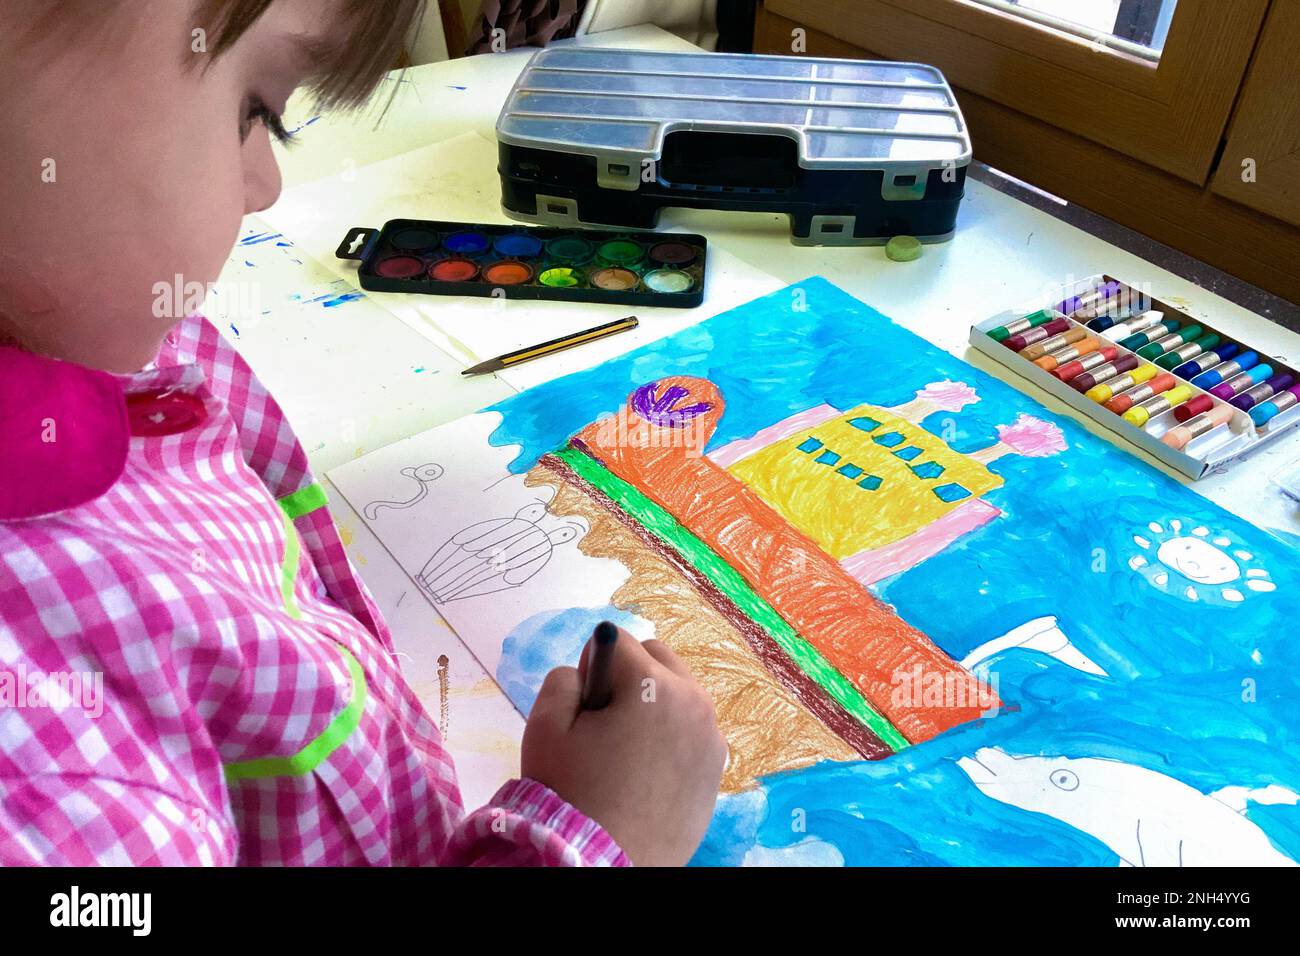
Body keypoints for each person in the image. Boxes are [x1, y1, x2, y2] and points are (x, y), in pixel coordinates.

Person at [0, 0, 726, 866]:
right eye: (255, 109)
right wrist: (605, 836)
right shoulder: (47, 786)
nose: (263, 182)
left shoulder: (95, 333)